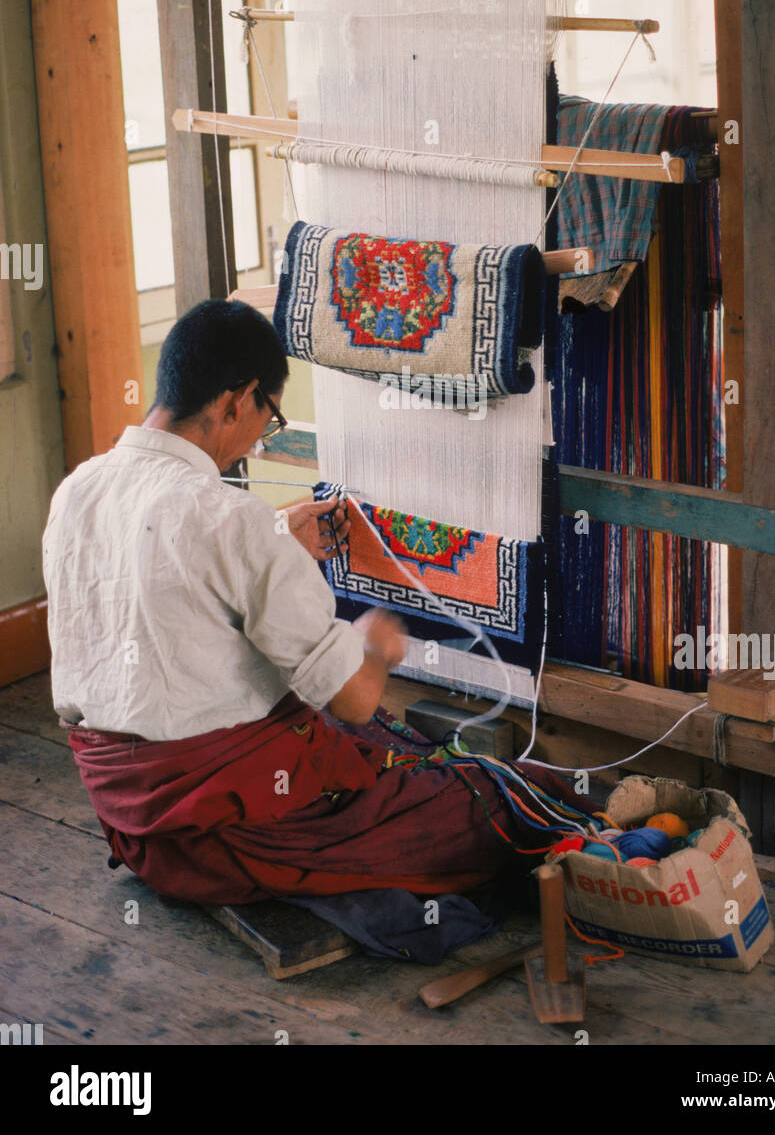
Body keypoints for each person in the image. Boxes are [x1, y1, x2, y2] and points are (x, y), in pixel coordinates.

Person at [43, 299, 592, 907]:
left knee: (386, 749)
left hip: (137, 823)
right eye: (270, 417)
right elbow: (356, 700)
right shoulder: (234, 522)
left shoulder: (78, 489)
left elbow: (161, 573)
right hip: (236, 829)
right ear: (237, 400)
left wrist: (272, 540)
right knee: (498, 804)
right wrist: (378, 647)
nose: (260, 437)